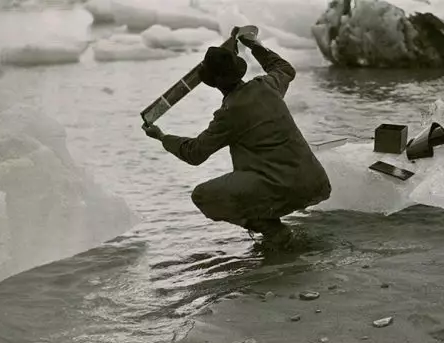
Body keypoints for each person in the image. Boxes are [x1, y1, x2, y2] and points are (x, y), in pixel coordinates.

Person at [142, 27, 332, 246]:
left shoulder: (229, 114)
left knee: (203, 195)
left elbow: (194, 153)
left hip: (285, 186)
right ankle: (275, 227)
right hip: (315, 182)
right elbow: (284, 68)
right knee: (259, 174)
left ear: (214, 83)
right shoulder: (267, 85)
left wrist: (162, 137)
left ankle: (274, 231)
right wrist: (253, 44)